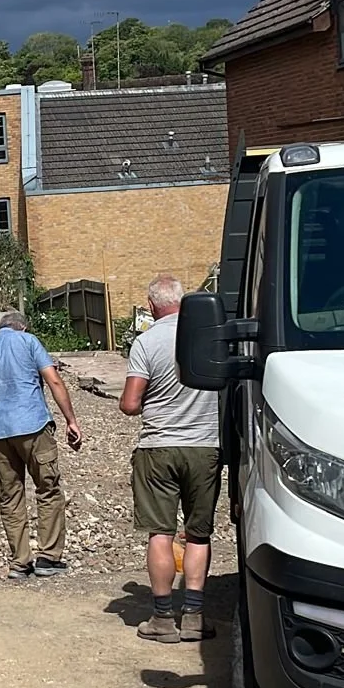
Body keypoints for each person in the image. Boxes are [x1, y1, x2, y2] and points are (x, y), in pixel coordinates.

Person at [120, 273, 221, 643]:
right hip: (205, 445)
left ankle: (163, 618)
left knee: (160, 533)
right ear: (185, 301)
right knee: (198, 534)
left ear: (151, 306)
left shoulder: (146, 342)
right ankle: (194, 616)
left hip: (159, 446)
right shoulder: (209, 337)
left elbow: (130, 403)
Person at [0, 310, 83, 580]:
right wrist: (71, 420)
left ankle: (20, 562)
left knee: (10, 496)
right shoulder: (29, 342)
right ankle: (48, 557)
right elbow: (53, 380)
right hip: (34, 427)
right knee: (48, 489)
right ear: (23, 328)